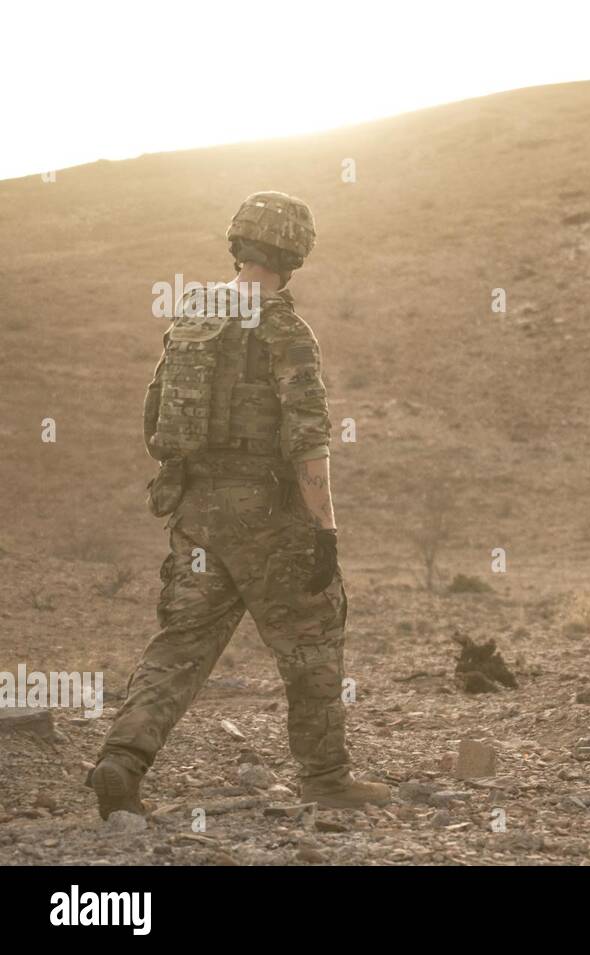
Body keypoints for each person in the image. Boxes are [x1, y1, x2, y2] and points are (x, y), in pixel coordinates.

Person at [88, 191, 390, 817]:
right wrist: (325, 532)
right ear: (295, 255)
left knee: (180, 644)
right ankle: (326, 778)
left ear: (237, 245)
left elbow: (154, 421)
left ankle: (121, 762)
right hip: (269, 519)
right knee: (312, 634)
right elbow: (309, 444)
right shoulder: (286, 331)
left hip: (196, 514)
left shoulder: (192, 321)